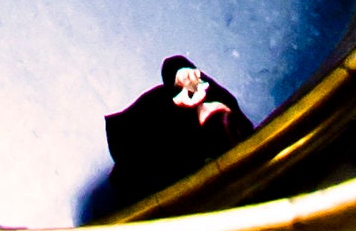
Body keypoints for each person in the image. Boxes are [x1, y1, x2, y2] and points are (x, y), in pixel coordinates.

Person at [102, 56, 252, 202]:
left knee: (125, 182)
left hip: (137, 153)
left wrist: (174, 104)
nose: (203, 101)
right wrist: (182, 73)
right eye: (214, 105)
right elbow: (172, 64)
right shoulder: (224, 105)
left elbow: (126, 144)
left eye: (203, 110)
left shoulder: (177, 156)